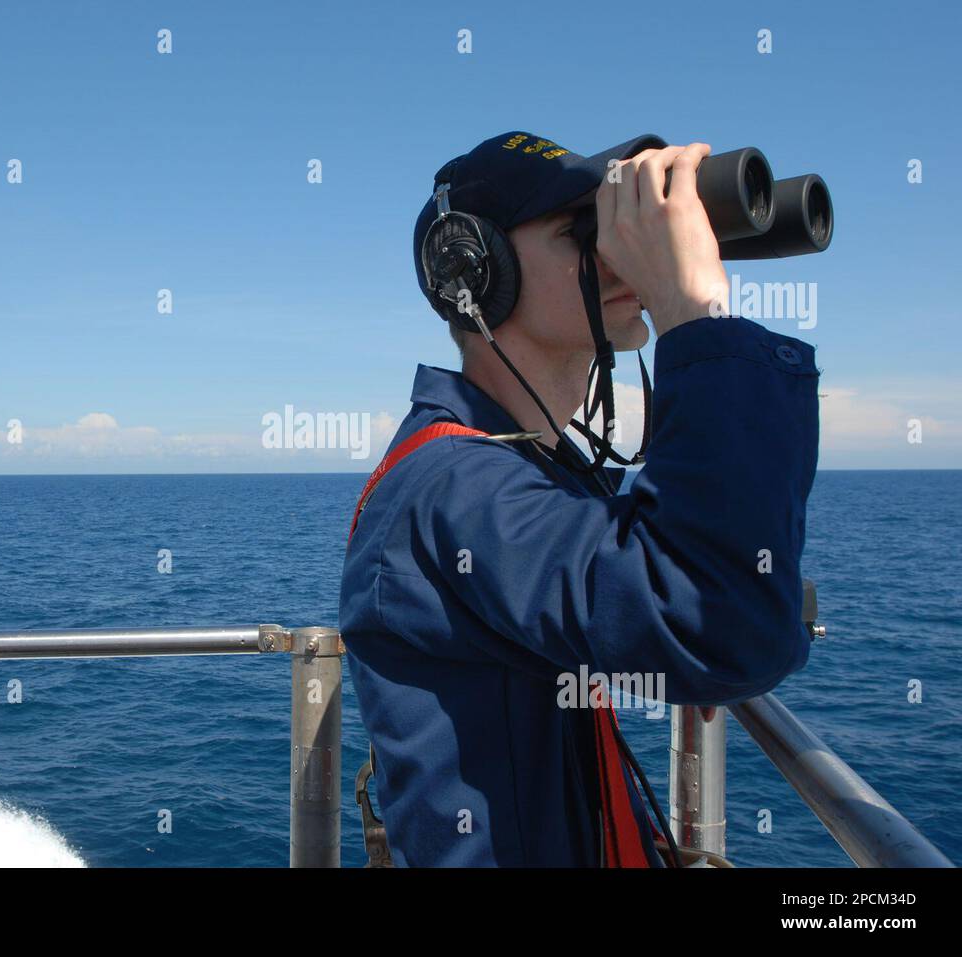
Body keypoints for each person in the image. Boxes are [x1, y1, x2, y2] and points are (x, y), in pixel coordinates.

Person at [339, 130, 821, 867]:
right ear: (475, 269)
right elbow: (719, 629)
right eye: (585, 231)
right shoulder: (455, 486)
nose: (623, 252)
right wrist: (694, 313)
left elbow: (698, 603)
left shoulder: (519, 464)